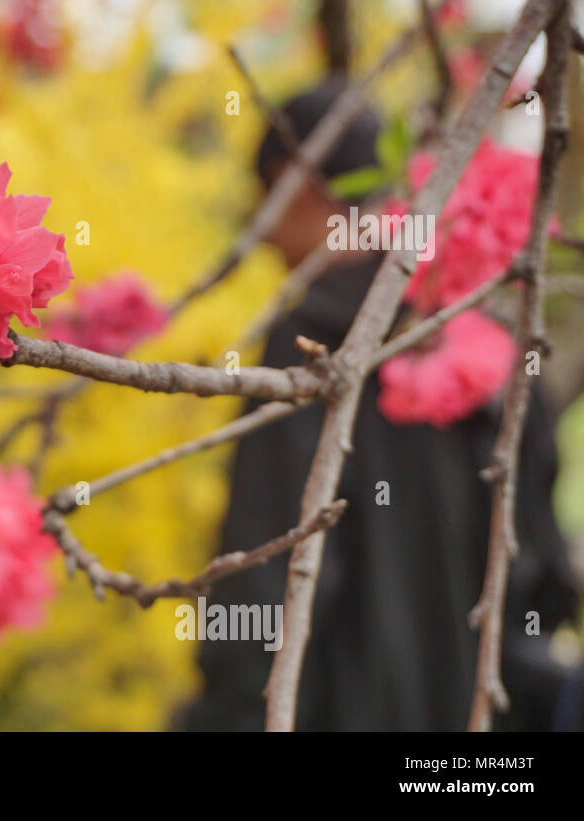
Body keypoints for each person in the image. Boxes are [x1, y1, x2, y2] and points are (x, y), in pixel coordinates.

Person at [173, 81, 582, 731]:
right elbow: (546, 575)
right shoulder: (494, 342)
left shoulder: (311, 345)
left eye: (265, 203)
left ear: (293, 181)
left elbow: (263, 580)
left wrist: (228, 716)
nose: (269, 241)